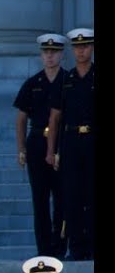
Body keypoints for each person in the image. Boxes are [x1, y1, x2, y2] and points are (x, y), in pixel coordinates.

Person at [14, 34, 67, 257]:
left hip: (64, 143)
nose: (50, 56)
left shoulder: (68, 79)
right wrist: (21, 149)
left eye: (54, 52)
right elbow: (21, 118)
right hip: (37, 142)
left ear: (61, 55)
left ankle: (60, 247)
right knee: (40, 200)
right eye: (46, 52)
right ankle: (44, 250)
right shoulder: (32, 83)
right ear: (41, 55)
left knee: (63, 200)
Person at [46, 28, 96, 260]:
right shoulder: (66, 79)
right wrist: (51, 150)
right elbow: (55, 118)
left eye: (85, 46)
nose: (81, 50)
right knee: (72, 196)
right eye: (77, 47)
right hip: (71, 142)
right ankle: (77, 248)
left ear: (92, 48)